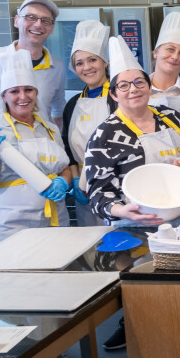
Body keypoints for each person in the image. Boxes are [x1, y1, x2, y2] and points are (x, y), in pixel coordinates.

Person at [85, 36, 180, 227]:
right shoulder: (105, 135)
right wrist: (121, 210)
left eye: (139, 82)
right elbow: (98, 193)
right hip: (136, 227)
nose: (133, 89)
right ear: (113, 94)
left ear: (149, 87)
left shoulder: (172, 118)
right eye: (124, 85)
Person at [0, 49, 71, 244]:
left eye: (28, 89)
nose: (22, 96)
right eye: (14, 91)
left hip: (54, 220)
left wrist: (64, 182)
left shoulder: (49, 128)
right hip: (12, 225)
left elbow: (64, 169)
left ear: (36, 92)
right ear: (3, 97)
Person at [62, 20, 113, 226]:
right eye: (79, 63)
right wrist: (76, 180)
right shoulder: (72, 104)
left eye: (92, 60)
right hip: (82, 185)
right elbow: (67, 147)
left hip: (113, 182)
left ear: (104, 62)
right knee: (90, 246)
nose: (87, 67)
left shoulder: (119, 97)